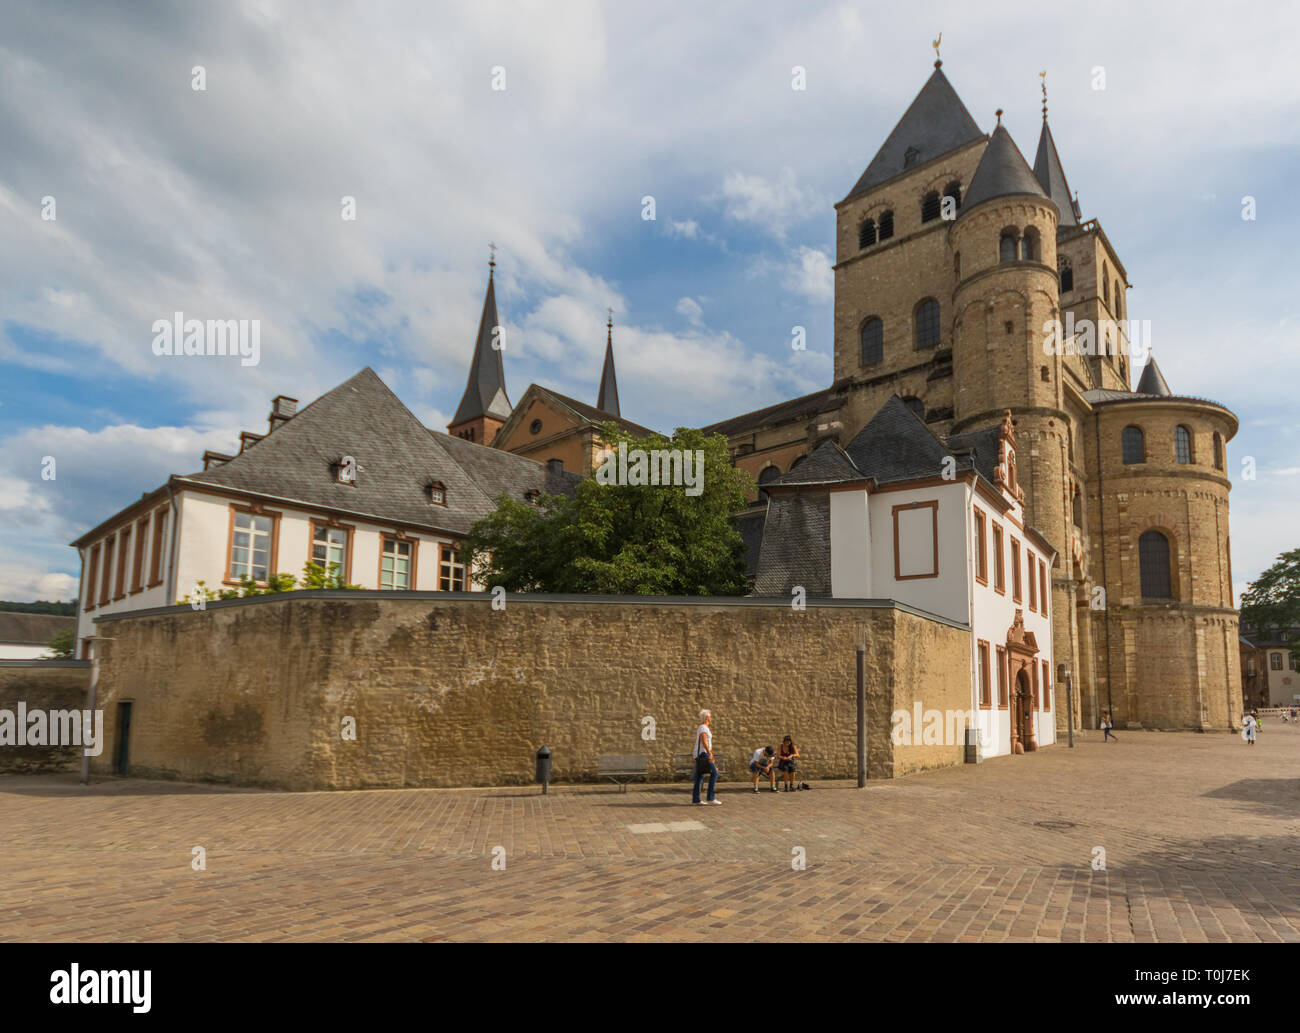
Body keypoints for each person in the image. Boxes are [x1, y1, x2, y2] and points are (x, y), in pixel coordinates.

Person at [692, 709, 720, 805]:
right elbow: (704, 741)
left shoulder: (703, 727)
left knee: (700, 776)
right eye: (710, 716)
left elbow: (707, 743)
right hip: (703, 754)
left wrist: (711, 753)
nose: (711, 718)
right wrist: (710, 753)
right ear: (707, 717)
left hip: (702, 754)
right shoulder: (703, 728)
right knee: (715, 773)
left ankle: (696, 799)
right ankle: (710, 797)